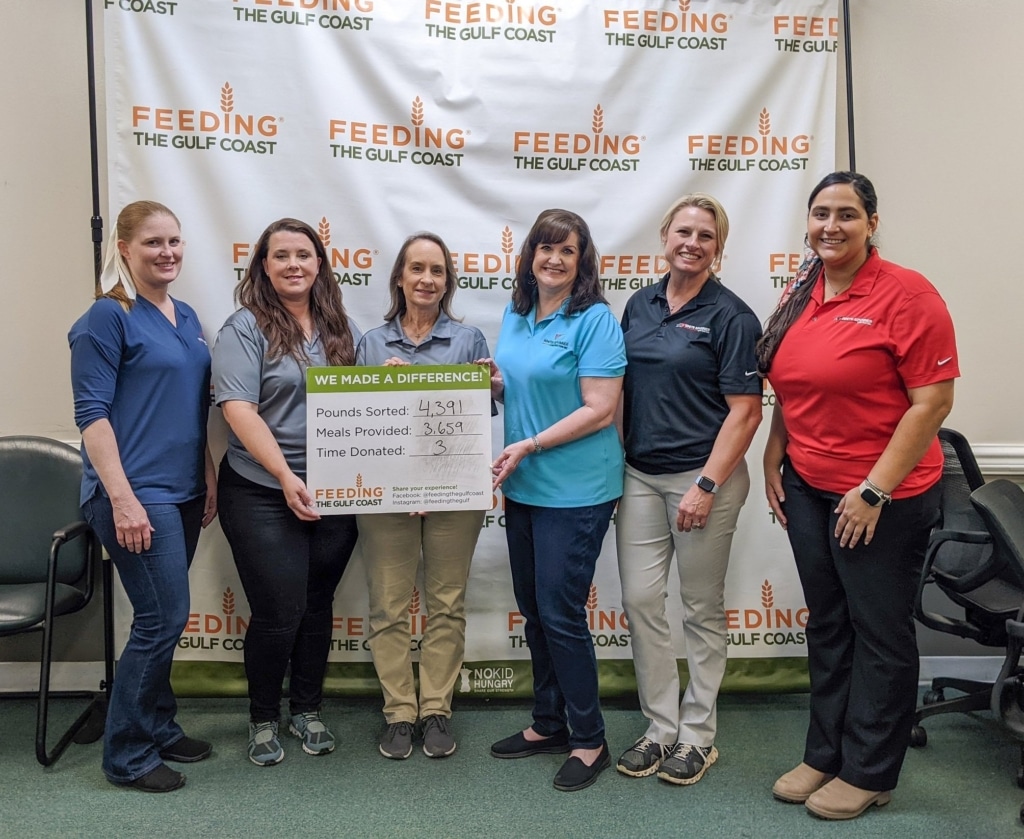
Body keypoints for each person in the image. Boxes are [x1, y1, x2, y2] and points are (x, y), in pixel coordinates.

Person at [756, 172, 957, 820]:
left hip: (884, 498)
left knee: (879, 632)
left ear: (872, 222)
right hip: (811, 488)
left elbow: (934, 402)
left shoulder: (907, 294)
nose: (830, 226)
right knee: (830, 624)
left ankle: (870, 770)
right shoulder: (802, 286)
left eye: (846, 214)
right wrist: (774, 448)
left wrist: (873, 489)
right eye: (820, 213)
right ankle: (826, 752)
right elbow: (791, 381)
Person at [614, 194, 762, 786]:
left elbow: (746, 413)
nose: (692, 243)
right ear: (665, 236)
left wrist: (705, 485)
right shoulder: (638, 304)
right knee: (643, 603)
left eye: (706, 235)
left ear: (718, 248)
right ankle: (659, 728)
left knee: (700, 609)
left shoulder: (732, 316)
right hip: (639, 477)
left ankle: (698, 735)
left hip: (704, 480)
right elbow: (621, 390)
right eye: (684, 232)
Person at [70, 200, 217, 793]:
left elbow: (190, 409)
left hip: (180, 489)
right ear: (125, 249)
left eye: (175, 241)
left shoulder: (186, 316)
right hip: (132, 493)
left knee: (163, 620)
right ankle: (127, 755)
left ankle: (157, 725)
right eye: (154, 242)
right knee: (162, 619)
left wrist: (206, 474)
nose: (168, 252)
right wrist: (124, 500)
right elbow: (91, 417)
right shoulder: (106, 317)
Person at [484, 209, 625, 792]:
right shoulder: (517, 314)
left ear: (582, 259)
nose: (555, 259)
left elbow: (601, 407)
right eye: (545, 248)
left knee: (561, 613)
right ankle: (548, 722)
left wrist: (531, 443)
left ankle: (589, 739)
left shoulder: (594, 319)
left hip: (577, 489)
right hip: (525, 487)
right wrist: (485, 384)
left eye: (567, 250)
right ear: (530, 256)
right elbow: (516, 384)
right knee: (535, 609)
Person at [212, 218, 360, 767]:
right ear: (264, 267)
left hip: (334, 491)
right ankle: (261, 718)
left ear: (319, 263)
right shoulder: (244, 327)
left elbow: (362, 403)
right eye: (281, 256)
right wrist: (285, 476)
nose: (294, 264)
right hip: (259, 489)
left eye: (304, 254)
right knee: (279, 609)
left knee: (317, 605)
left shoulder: (338, 327)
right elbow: (237, 410)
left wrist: (391, 380)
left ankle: (307, 709)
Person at [355, 232, 491, 760]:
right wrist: (379, 389)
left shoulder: (470, 341)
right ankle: (398, 713)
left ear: (447, 281)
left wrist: (486, 385)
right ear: (399, 278)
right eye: (417, 269)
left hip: (454, 493)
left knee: (447, 604)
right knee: (387, 606)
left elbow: (478, 423)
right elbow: (359, 429)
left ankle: (436, 708)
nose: (427, 279)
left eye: (437, 271)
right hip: (386, 494)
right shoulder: (371, 344)